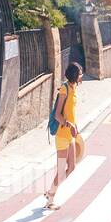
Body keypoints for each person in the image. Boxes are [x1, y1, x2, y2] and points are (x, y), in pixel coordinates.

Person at [45, 63, 83, 210]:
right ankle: (50, 197)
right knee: (61, 170)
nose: (82, 76)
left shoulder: (74, 89)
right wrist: (70, 125)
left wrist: (76, 127)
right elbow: (57, 114)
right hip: (62, 135)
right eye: (80, 74)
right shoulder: (64, 89)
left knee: (72, 167)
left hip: (70, 136)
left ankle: (51, 191)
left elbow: (71, 112)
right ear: (74, 76)